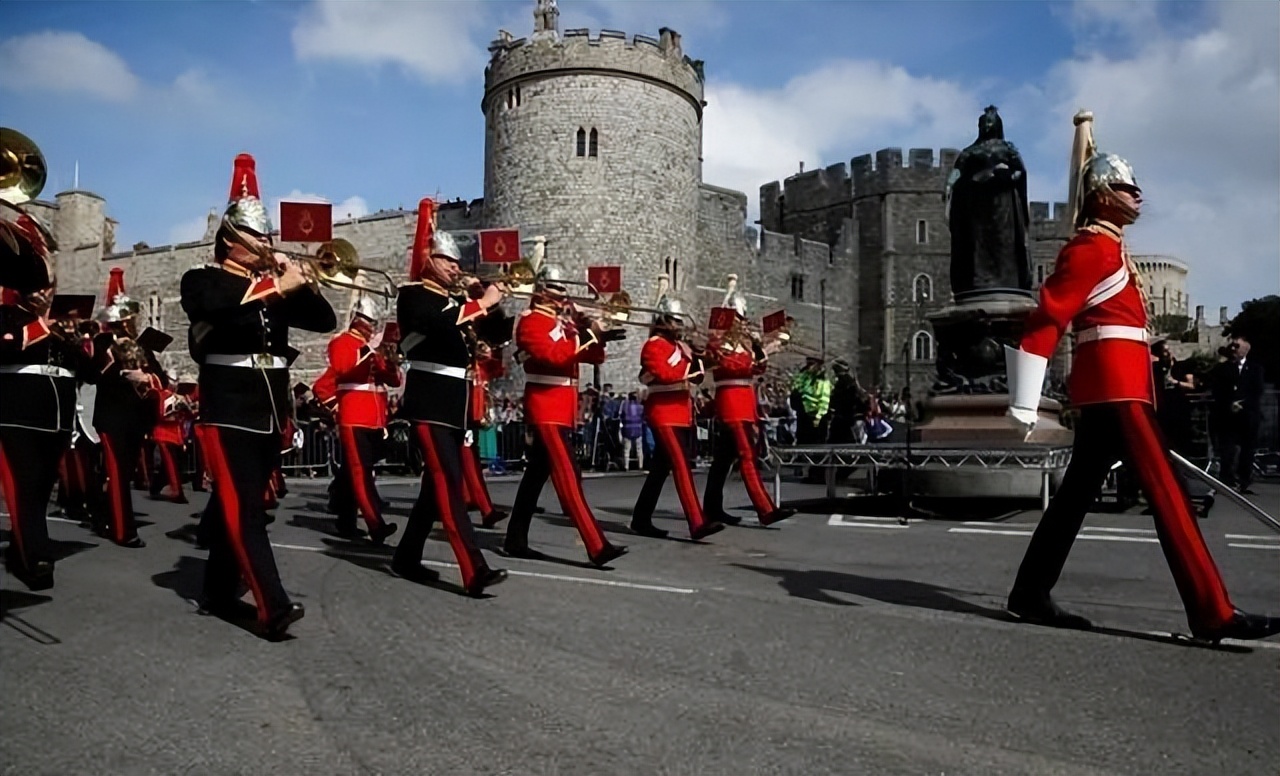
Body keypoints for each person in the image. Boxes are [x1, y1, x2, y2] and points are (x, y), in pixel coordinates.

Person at [1005, 146, 1279, 642]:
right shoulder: (1092, 248)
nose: (1137, 195)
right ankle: (1211, 610)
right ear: (1102, 196)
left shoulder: (1109, 248)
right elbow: (1049, 315)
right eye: (1127, 188)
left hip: (1123, 382)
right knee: (1168, 493)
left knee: (1073, 499)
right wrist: (1024, 397)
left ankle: (1029, 592)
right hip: (1117, 388)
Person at [181, 152, 336, 639]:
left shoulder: (270, 284)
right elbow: (216, 309)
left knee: (245, 504)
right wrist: (274, 286)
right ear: (230, 239)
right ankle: (273, 605)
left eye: (268, 237)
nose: (266, 244)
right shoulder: (203, 279)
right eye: (257, 237)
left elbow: (324, 321)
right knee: (247, 510)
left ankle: (217, 587)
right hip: (227, 407)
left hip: (268, 410)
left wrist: (299, 282)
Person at [394, 198, 507, 595]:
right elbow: (435, 326)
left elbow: (498, 336)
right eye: (448, 261)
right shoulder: (413, 296)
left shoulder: (459, 301)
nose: (456, 268)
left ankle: (406, 555)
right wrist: (479, 303)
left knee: (434, 488)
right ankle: (473, 567)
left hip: (455, 405)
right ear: (429, 260)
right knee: (449, 483)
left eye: (457, 263)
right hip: (431, 402)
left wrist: (491, 305)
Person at [504, 265, 629, 567]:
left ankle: (515, 538)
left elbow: (592, 356)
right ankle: (596, 544)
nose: (562, 298)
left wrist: (597, 333)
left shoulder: (563, 324)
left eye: (563, 293)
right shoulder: (531, 321)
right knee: (569, 476)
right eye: (557, 292)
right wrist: (586, 333)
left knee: (535, 477)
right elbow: (555, 355)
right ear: (542, 292)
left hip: (561, 408)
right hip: (546, 406)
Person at [0, 281, 95, 590]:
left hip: (57, 417)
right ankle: (37, 558)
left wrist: (76, 338)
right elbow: (6, 347)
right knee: (26, 485)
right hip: (20, 411)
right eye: (39, 287)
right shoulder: (8, 315)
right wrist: (42, 325)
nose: (44, 293)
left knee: (41, 488)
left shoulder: (61, 330)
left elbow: (88, 373)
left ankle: (20, 550)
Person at [630, 298, 724, 541]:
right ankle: (696, 521)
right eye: (674, 321)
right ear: (662, 321)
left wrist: (704, 358)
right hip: (663, 413)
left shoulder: (680, 347)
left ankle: (641, 518)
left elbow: (694, 377)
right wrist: (692, 368)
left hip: (680, 413)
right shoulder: (654, 345)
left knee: (660, 470)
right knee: (681, 465)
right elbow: (664, 374)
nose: (678, 326)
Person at [701, 301, 795, 527]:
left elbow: (757, 369)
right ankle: (765, 509)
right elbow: (735, 366)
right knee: (747, 457)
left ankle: (712, 508)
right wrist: (763, 349)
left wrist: (763, 349)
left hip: (744, 404)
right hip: (732, 405)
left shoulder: (742, 345)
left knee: (723, 461)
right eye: (739, 321)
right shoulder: (718, 343)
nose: (743, 325)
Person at [91, 273, 162, 547]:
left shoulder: (143, 345)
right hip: (112, 417)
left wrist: (146, 378)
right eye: (122, 318)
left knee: (125, 473)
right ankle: (124, 530)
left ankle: (102, 511)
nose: (127, 322)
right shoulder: (102, 344)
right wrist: (113, 358)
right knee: (118, 473)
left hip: (135, 419)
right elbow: (95, 374)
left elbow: (161, 379)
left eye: (129, 317)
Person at [328, 297, 399, 544]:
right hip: (354, 416)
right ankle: (374, 523)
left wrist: (389, 362)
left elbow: (394, 381)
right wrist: (369, 349)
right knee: (361, 473)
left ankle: (345, 520)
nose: (371, 326)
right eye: (369, 321)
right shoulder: (342, 342)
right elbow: (342, 367)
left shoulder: (370, 347)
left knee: (357, 472)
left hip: (375, 418)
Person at [1210, 335, 1265, 494]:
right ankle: (1226, 480)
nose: (1233, 349)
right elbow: (1217, 390)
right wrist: (1229, 404)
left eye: (1236, 346)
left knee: (1248, 449)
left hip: (1248, 415)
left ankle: (1244, 480)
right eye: (1232, 346)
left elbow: (1257, 391)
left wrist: (1243, 404)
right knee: (1227, 448)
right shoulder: (1222, 369)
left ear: (1246, 349)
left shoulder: (1255, 369)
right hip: (1228, 416)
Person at [462, 338, 508, 528]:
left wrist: (497, 348)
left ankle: (470, 502)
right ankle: (486, 510)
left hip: (472, 415)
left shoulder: (480, 365)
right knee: (468, 464)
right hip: (462, 415)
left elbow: (498, 369)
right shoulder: (465, 362)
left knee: (461, 465)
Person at [789, 356, 831, 481]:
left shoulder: (822, 380)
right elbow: (796, 392)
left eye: (812, 364)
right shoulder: (804, 377)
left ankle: (816, 472)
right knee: (803, 442)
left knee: (817, 444)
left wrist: (819, 415)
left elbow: (824, 400)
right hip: (804, 416)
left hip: (816, 417)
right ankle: (803, 468)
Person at [620, 391, 645, 470]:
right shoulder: (640, 406)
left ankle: (626, 466)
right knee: (639, 448)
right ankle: (640, 465)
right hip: (638, 428)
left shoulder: (625, 405)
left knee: (627, 448)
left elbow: (621, 415)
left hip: (627, 429)